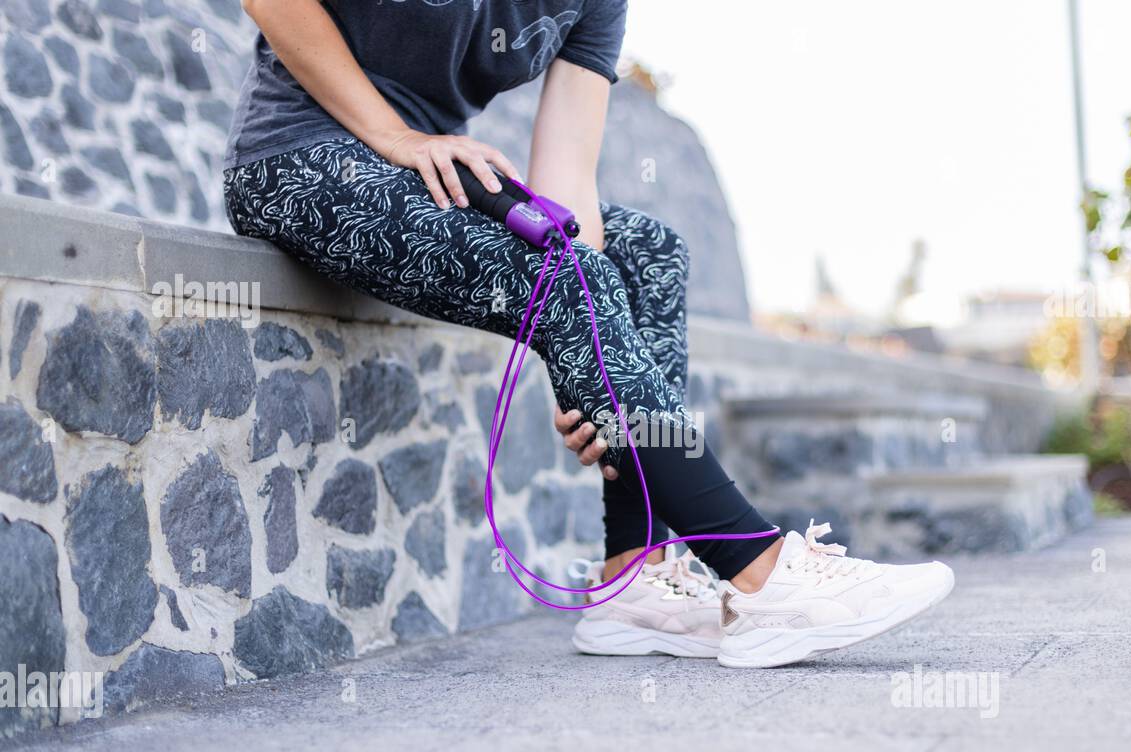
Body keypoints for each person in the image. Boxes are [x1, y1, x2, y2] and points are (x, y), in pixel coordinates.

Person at [222, 0, 953, 669]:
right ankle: (759, 570)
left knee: (649, 255)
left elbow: (566, 182)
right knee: (574, 282)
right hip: (297, 157)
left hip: (427, 175)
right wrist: (397, 136)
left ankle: (634, 576)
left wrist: (592, 367)